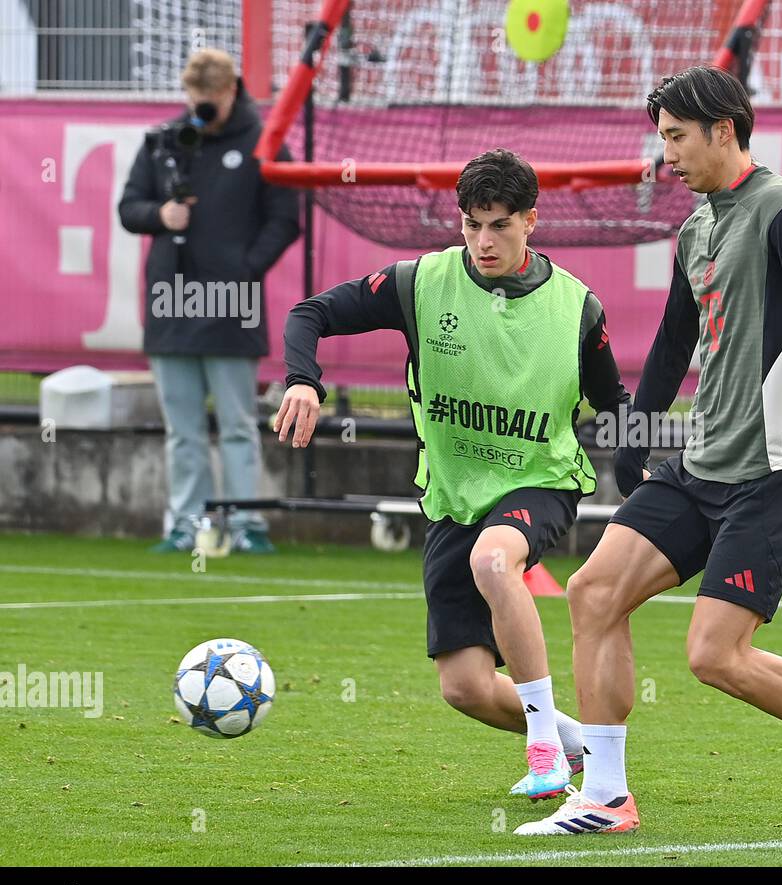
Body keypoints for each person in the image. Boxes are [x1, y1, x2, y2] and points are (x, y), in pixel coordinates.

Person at [517, 66, 782, 840]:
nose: (665, 154)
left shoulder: (781, 207)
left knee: (714, 655)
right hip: (699, 468)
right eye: (661, 137)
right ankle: (604, 796)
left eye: (675, 136)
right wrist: (634, 438)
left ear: (724, 130)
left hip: (773, 474)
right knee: (592, 593)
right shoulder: (695, 227)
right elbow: (673, 344)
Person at [274, 148, 631, 799]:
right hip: (451, 499)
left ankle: (546, 752)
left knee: (496, 561)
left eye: (499, 224)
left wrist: (649, 483)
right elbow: (310, 314)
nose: (483, 241)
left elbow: (616, 407)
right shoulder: (422, 283)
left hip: (539, 482)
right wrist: (304, 383)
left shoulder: (576, 308)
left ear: (531, 220)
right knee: (463, 687)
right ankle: (578, 744)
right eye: (472, 224)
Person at [118, 48, 300, 554]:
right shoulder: (162, 142)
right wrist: (161, 215)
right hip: (170, 300)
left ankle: (247, 525)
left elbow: (285, 217)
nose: (201, 111)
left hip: (231, 301)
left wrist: (245, 267)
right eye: (194, 100)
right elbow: (129, 208)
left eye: (210, 102)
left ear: (230, 91)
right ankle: (187, 525)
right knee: (183, 428)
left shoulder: (264, 142)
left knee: (239, 423)